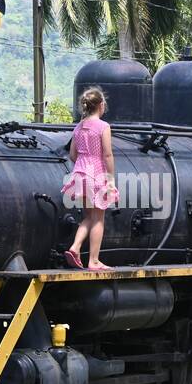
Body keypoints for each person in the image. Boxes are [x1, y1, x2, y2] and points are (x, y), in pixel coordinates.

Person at [62, 87, 118, 271]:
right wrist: (110, 179)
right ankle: (94, 260)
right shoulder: (103, 127)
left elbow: (72, 154)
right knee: (99, 218)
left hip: (80, 173)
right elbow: (108, 155)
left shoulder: (78, 127)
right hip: (97, 173)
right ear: (101, 105)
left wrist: (84, 164)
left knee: (88, 216)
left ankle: (75, 247)